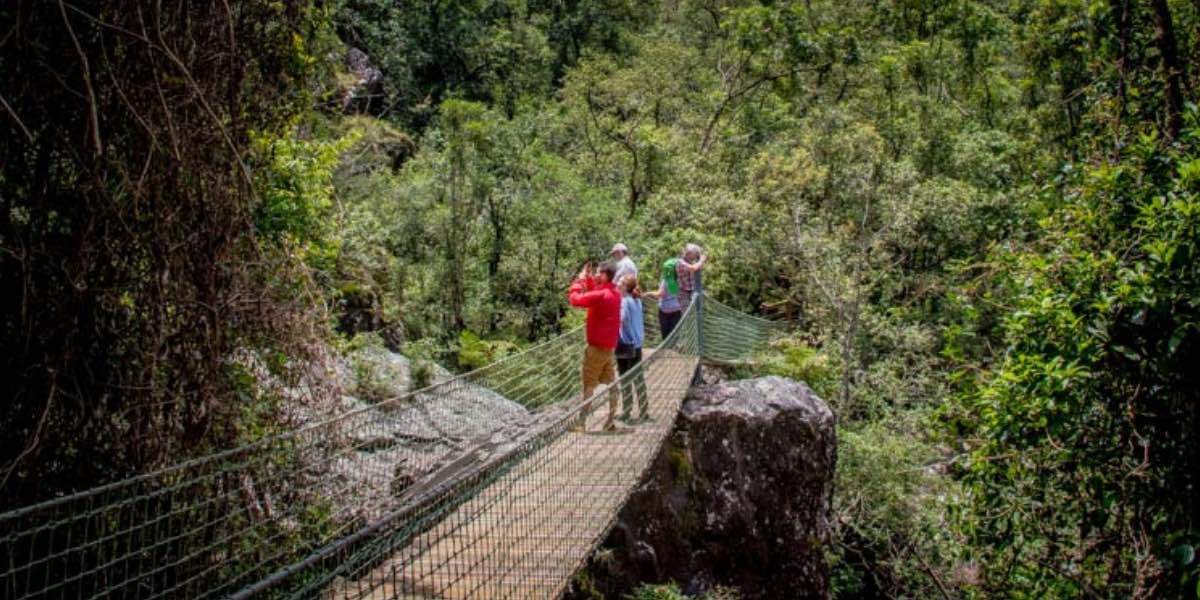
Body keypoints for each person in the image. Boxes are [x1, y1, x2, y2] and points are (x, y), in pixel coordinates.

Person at [567, 260, 623, 432]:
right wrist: (590, 280)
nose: (597, 275)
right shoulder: (615, 293)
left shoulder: (601, 296)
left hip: (596, 348)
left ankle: (581, 423)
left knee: (588, 385)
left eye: (599, 273)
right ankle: (611, 421)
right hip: (608, 348)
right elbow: (595, 294)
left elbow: (575, 300)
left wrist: (579, 281)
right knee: (612, 383)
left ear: (606, 275)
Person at [616, 274, 649, 423]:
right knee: (638, 378)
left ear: (625, 287)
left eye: (620, 282)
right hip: (637, 344)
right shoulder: (637, 300)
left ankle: (627, 411)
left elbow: (621, 319)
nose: (618, 284)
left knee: (625, 379)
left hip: (625, 344)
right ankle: (643, 411)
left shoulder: (624, 301)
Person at [645, 258, 683, 339]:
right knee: (674, 334)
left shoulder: (666, 280)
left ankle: (667, 351)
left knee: (666, 335)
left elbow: (660, 294)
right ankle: (673, 350)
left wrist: (648, 293)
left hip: (665, 310)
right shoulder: (680, 279)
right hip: (677, 310)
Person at [675, 243, 706, 308]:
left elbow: (698, 267)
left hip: (689, 292)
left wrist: (700, 258)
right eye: (694, 254)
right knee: (685, 314)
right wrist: (701, 260)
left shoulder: (689, 262)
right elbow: (693, 268)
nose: (695, 256)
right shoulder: (681, 262)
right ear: (689, 254)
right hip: (682, 293)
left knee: (690, 313)